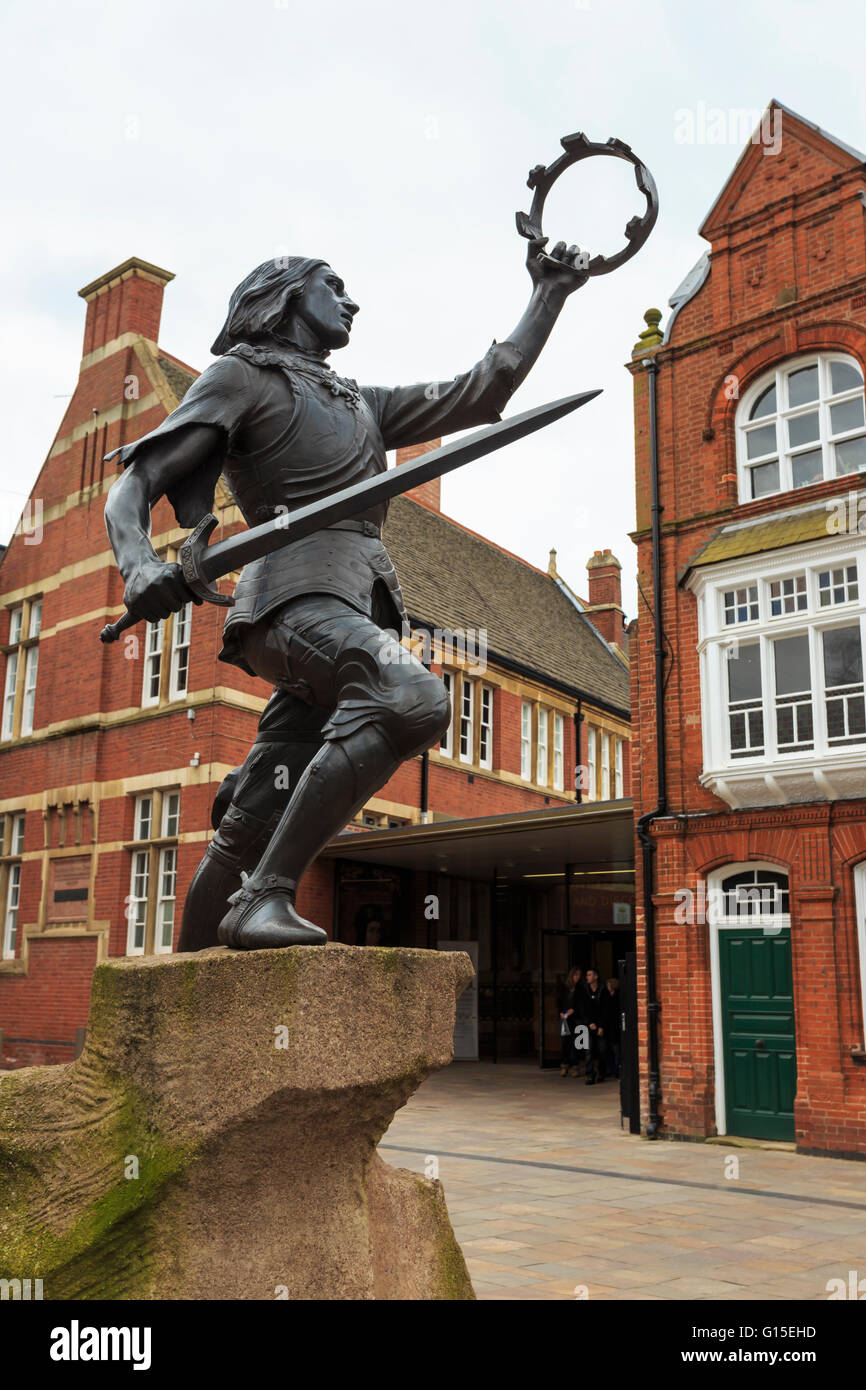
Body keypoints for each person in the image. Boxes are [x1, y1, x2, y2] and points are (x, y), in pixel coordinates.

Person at [103, 242, 587, 951]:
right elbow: (133, 487)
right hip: (290, 603)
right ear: (286, 296)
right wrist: (138, 562)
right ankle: (262, 899)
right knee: (412, 698)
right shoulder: (242, 377)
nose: (351, 301)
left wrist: (548, 295)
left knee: (258, 805)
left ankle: (182, 975)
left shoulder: (363, 402)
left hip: (354, 606)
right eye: (334, 286)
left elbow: (486, 390)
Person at [581, 967, 608, 1085]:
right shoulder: (584, 990)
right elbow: (582, 1009)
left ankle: (601, 1073)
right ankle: (589, 1075)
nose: (587, 977)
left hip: (600, 1025)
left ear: (596, 977)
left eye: (590, 975)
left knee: (602, 1050)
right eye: (587, 975)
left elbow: (606, 1009)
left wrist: (601, 1026)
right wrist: (589, 1023)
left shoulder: (603, 990)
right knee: (588, 1051)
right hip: (588, 1026)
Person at [557, 966, 583, 1075]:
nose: (577, 977)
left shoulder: (580, 988)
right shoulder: (564, 987)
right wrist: (561, 1012)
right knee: (565, 1042)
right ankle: (564, 1065)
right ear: (571, 975)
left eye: (579, 975)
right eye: (576, 975)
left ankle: (575, 1067)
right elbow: (558, 1001)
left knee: (575, 1043)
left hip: (576, 1019)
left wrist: (574, 1010)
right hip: (565, 1019)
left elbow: (582, 1004)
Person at [602, 977, 622, 1079]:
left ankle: (617, 1069)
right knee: (609, 1050)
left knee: (616, 1050)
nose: (607, 987)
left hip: (614, 1027)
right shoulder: (607, 996)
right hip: (609, 1027)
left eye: (608, 985)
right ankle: (611, 1069)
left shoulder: (617, 997)